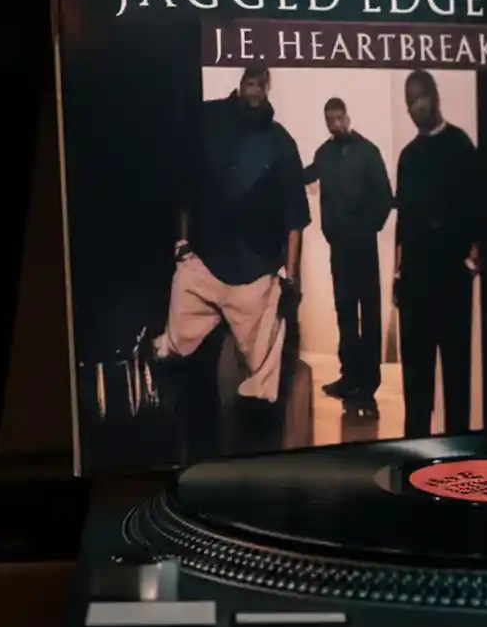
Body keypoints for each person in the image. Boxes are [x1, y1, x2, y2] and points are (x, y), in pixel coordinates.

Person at [152, 66, 309, 412]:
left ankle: (253, 433)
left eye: (260, 82)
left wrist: (290, 279)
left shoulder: (280, 143)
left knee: (261, 386)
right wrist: (183, 245)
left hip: (254, 277)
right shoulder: (209, 119)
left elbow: (294, 217)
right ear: (241, 83)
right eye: (250, 80)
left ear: (267, 88)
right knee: (175, 357)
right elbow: (184, 183)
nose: (255, 87)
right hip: (203, 265)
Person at [394, 70, 487, 438]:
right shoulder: (408, 157)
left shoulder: (461, 146)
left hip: (452, 280)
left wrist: (472, 260)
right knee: (416, 386)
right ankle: (416, 456)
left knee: (456, 377)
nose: (416, 106)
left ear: (435, 96)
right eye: (410, 101)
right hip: (415, 283)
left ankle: (458, 457)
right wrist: (398, 275)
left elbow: (480, 211)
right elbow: (404, 222)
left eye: (421, 97)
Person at [303, 97, 394, 417]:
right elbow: (307, 174)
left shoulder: (367, 152)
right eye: (331, 119)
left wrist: (368, 228)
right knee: (344, 311)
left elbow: (385, 197)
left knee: (368, 313)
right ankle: (350, 376)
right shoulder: (324, 154)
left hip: (363, 245)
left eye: (339, 117)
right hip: (339, 246)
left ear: (347, 116)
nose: (336, 124)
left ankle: (367, 384)